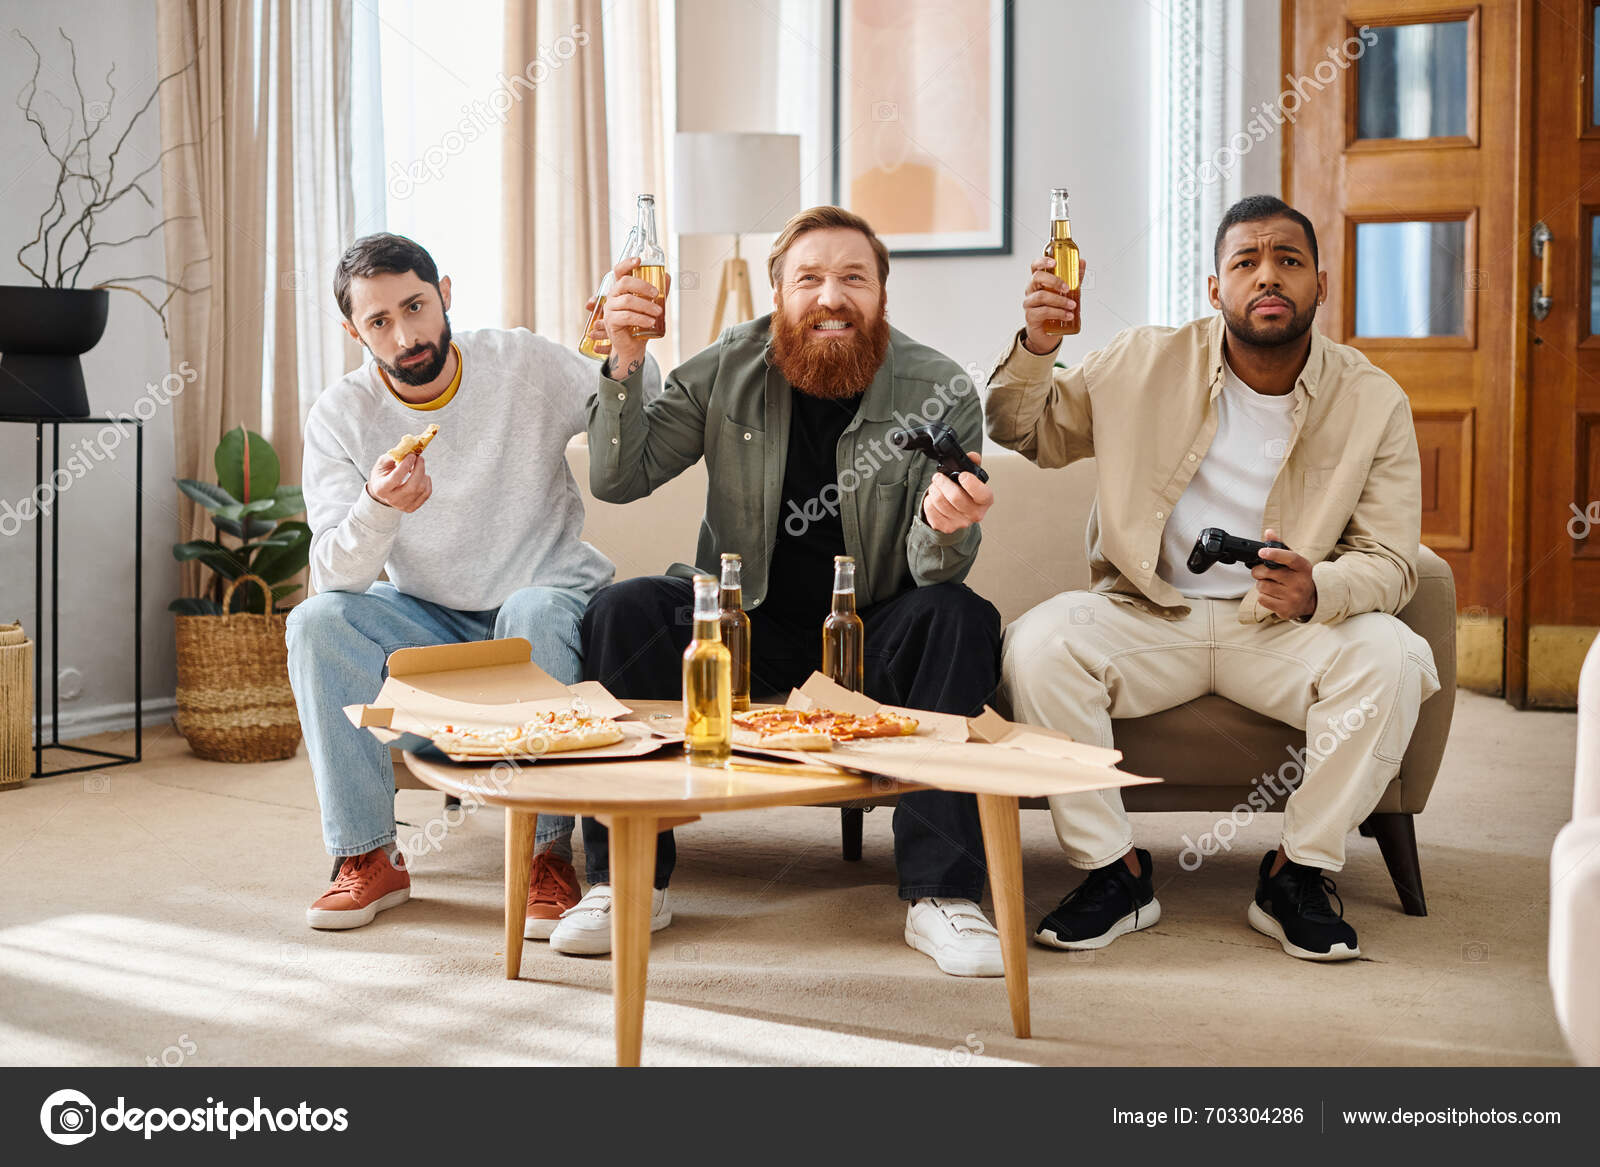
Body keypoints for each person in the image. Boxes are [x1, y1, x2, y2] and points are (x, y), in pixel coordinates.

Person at [553, 205, 1007, 977]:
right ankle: (624, 878)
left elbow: (936, 572)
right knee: (621, 609)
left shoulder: (939, 386)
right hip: (740, 636)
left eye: (853, 277)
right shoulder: (727, 365)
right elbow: (618, 477)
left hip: (870, 639)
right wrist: (624, 358)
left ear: (882, 294)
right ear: (779, 293)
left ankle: (944, 895)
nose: (831, 296)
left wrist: (945, 523)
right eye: (810, 278)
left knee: (962, 616)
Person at [987, 195, 1441, 962]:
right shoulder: (1140, 360)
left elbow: (1393, 561)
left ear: (1320, 285)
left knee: (1394, 656)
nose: (1269, 277)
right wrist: (1038, 344)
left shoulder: (1373, 400)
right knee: (1037, 645)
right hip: (1147, 613)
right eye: (1247, 262)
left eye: (1289, 261)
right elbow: (1020, 428)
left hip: (1284, 628)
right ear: (1214, 288)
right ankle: (1115, 871)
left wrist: (1318, 588)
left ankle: (1297, 872)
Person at [287, 233, 656, 933]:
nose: (405, 334)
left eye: (416, 306)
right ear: (353, 331)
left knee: (534, 609)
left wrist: (621, 347)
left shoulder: (518, 362)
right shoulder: (341, 413)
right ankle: (368, 855)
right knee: (315, 622)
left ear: (445, 293)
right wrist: (379, 508)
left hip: (543, 591)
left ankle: (548, 851)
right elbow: (334, 574)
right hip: (429, 611)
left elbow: (634, 404)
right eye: (379, 322)